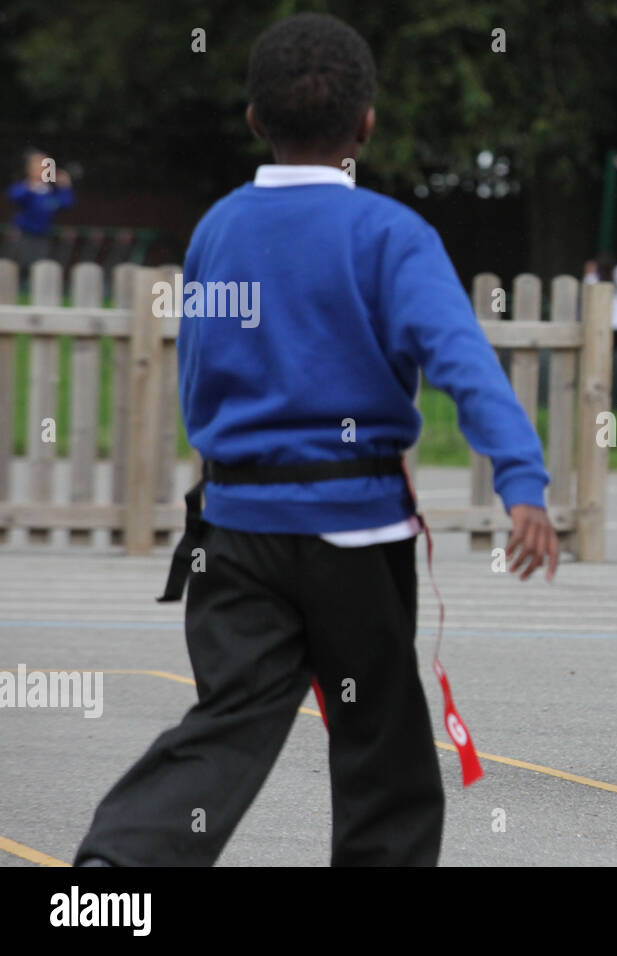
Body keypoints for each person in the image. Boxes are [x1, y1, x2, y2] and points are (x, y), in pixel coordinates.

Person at [73, 12, 558, 867]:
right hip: (352, 535)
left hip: (233, 529)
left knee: (227, 722)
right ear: (366, 122)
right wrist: (520, 478)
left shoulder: (218, 228)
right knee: (381, 742)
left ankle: (122, 865)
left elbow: (200, 375)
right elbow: (462, 364)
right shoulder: (389, 234)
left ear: (256, 119)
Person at [6, 148, 75, 279]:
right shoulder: (25, 187)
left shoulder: (49, 191)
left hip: (42, 234)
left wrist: (65, 187)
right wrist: (30, 186)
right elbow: (13, 197)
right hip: (23, 233)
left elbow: (66, 204)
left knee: (39, 265)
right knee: (19, 265)